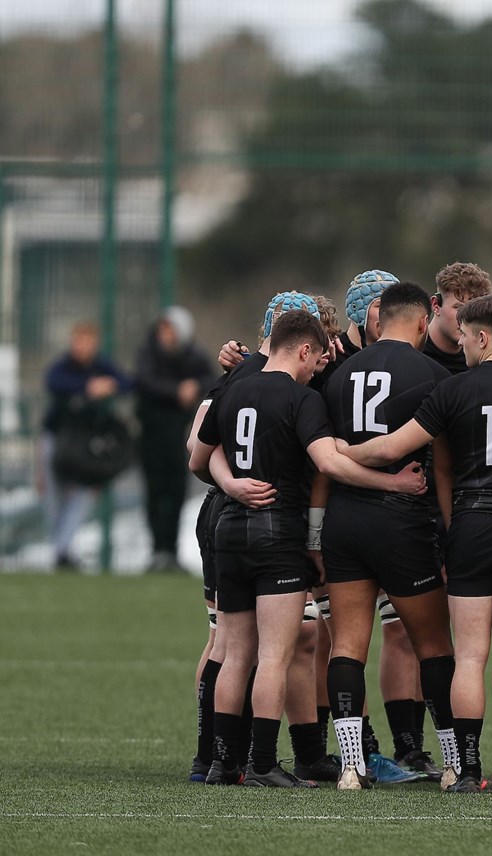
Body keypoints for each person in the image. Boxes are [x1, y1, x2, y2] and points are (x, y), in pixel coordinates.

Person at [341, 294, 492, 796]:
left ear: (478, 336)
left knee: (471, 656)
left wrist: (342, 451)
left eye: (463, 339)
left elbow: (395, 448)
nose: (461, 346)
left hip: (472, 526)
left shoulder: (453, 390)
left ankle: (469, 771)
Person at [189, 308, 423, 788]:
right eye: (317, 357)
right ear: (302, 349)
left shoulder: (231, 390)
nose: (319, 366)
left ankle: (221, 762)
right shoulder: (301, 398)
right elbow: (330, 465)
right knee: (275, 654)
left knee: (234, 652)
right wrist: (393, 483)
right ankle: (261, 765)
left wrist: (232, 485)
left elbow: (199, 455)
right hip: (278, 529)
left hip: (229, 529)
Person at [318, 282, 459, 789]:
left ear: (379, 320)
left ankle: (351, 766)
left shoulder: (338, 374)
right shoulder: (435, 376)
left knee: (348, 646)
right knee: (433, 646)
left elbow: (321, 464)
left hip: (344, 520)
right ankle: (453, 763)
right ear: (424, 322)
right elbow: (442, 463)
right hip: (404, 522)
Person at [40, 321, 131, 571]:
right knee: (54, 495)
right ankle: (59, 549)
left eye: (88, 341)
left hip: (85, 444)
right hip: (57, 438)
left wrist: (108, 386)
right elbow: (53, 382)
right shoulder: (64, 367)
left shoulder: (101, 366)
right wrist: (86, 388)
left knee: (83, 494)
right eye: (79, 341)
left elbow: (126, 383)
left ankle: (62, 550)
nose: (83, 347)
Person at [135, 306, 215, 572]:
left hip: (179, 436)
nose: (165, 335)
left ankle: (171, 550)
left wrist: (193, 387)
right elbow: (144, 381)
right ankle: (157, 549)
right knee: (155, 491)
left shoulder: (192, 356)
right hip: (152, 436)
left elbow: (211, 380)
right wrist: (176, 390)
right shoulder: (149, 354)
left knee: (176, 492)